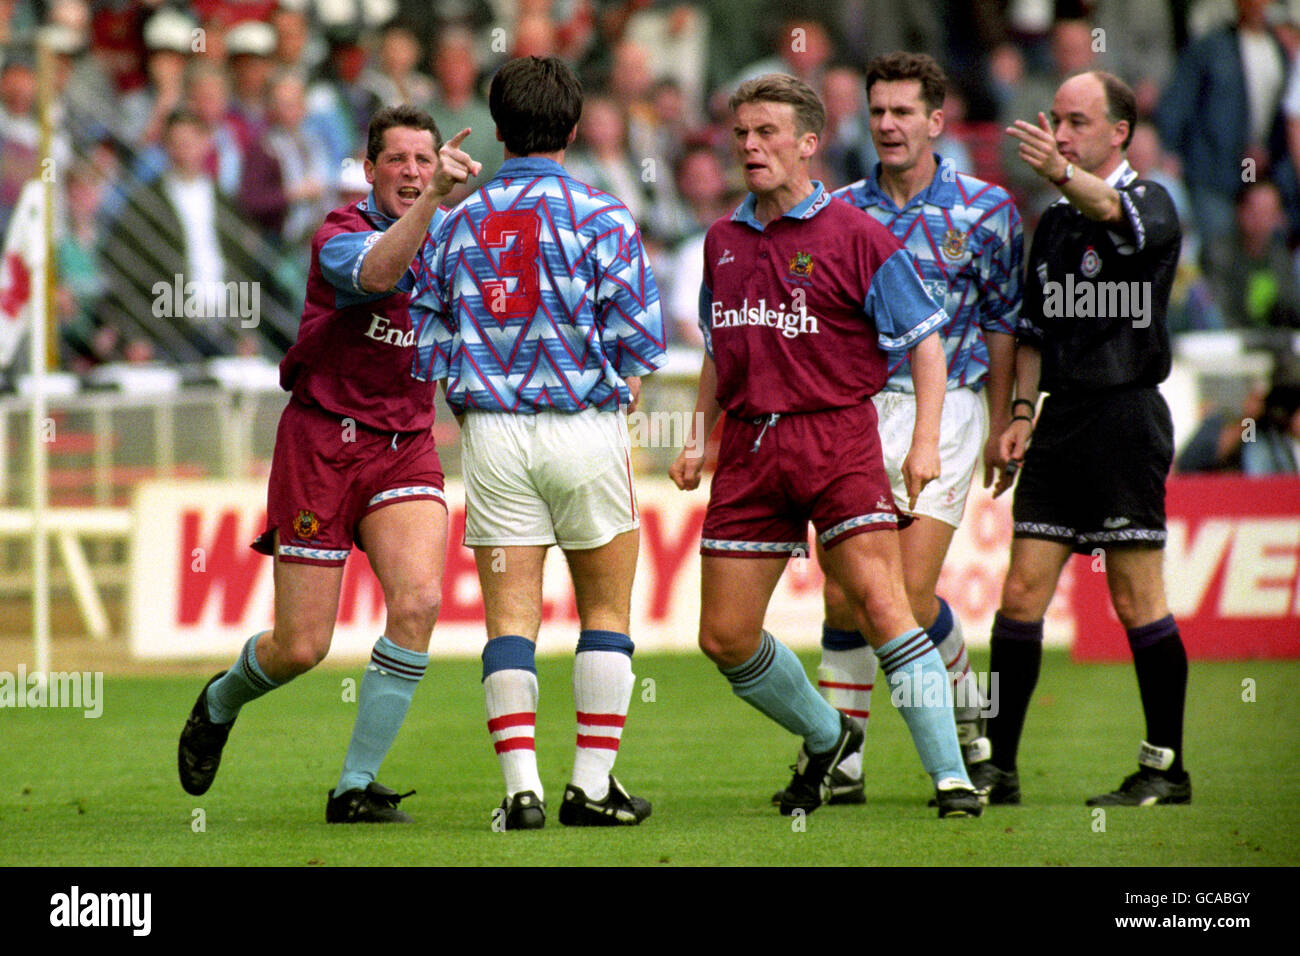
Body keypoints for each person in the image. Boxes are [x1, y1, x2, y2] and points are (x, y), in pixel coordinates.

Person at [669, 72, 982, 819]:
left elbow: (928, 343)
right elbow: (719, 346)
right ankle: (826, 734)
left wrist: (925, 443)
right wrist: (697, 437)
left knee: (881, 602)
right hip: (747, 448)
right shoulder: (722, 239)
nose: (750, 145)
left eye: (767, 132)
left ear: (809, 144)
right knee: (725, 636)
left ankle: (951, 778)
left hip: (837, 436)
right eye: (741, 133)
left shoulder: (857, 234)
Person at [177, 105, 482, 823]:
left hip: (404, 443)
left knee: (420, 602)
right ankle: (220, 701)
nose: (413, 172)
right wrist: (437, 201)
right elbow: (379, 276)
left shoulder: (455, 243)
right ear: (370, 170)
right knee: (302, 646)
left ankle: (355, 787)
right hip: (321, 445)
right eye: (399, 160)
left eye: (424, 159)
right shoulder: (341, 236)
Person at [411, 56, 667, 830]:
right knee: (606, 609)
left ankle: (520, 791)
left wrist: (474, 386)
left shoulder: (454, 221)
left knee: (511, 621)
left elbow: (425, 346)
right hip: (583, 428)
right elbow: (640, 340)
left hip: (492, 436)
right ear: (576, 126)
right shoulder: (604, 215)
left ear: (496, 128)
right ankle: (590, 785)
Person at [771, 52, 1021, 808]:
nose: (887, 124)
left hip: (945, 410)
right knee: (847, 597)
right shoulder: (840, 209)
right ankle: (847, 763)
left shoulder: (987, 211)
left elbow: (1005, 326)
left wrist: (1009, 419)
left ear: (937, 122)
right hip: (856, 414)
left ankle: (968, 717)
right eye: (878, 111)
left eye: (903, 111)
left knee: (904, 596)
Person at [989, 70, 1189, 806]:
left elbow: (1107, 203)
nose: (1061, 133)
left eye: (1076, 121)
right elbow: (1034, 332)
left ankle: (1166, 768)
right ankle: (1000, 767)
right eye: (1055, 119)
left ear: (1119, 133)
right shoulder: (1055, 222)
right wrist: (1017, 415)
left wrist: (1063, 173)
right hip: (1061, 422)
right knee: (1019, 593)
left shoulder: (1151, 200)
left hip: (1125, 418)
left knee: (1136, 600)